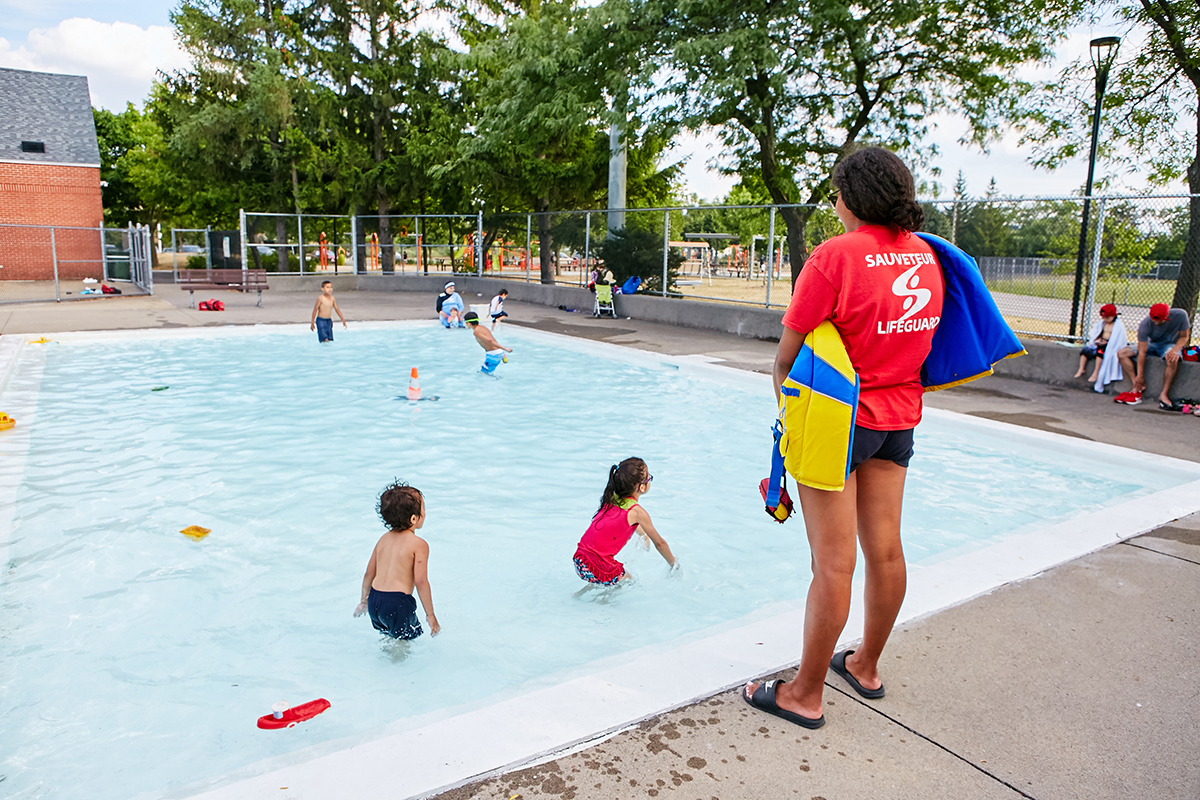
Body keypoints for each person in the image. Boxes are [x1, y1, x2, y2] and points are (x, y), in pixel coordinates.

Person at [744, 147, 944, 730]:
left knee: (833, 563)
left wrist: (787, 420)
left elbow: (786, 359)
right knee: (886, 550)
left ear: (850, 198)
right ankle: (866, 665)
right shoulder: (927, 256)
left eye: (835, 194)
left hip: (838, 422)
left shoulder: (835, 256)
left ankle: (804, 695)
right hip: (899, 418)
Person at [354, 481, 440, 639]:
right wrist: (430, 615)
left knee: (390, 638)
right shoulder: (419, 545)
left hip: (375, 601)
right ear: (414, 519)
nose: (425, 512)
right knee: (403, 644)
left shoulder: (383, 539)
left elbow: (369, 573)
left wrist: (363, 602)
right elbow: (421, 581)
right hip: (397, 603)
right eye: (423, 509)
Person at [573, 457, 677, 585]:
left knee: (605, 582)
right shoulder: (638, 512)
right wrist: (674, 564)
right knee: (630, 583)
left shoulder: (612, 497)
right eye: (649, 477)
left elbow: (625, 523)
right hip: (597, 567)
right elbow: (660, 543)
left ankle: (578, 597)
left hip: (580, 561)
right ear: (642, 487)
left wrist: (643, 535)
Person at [1116, 303, 1191, 408]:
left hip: (1170, 345)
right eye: (1154, 320)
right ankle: (1137, 387)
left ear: (1167, 316)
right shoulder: (1145, 324)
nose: (1156, 323)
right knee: (1122, 353)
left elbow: (1184, 337)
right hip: (1152, 344)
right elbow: (1142, 352)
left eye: (1159, 321)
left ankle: (1164, 394)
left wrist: (1174, 351)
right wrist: (1140, 376)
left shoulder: (1180, 315)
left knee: (1173, 359)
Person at [1074, 304, 1123, 386]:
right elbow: (1096, 333)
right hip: (1100, 342)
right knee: (1086, 350)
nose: (1105, 320)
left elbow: (1118, 339)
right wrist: (1097, 340)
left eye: (1107, 318)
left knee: (1100, 353)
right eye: (1103, 318)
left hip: (1108, 345)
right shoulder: (1101, 324)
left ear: (1113, 316)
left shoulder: (1118, 326)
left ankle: (1096, 373)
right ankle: (1081, 368)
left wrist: (1108, 342)